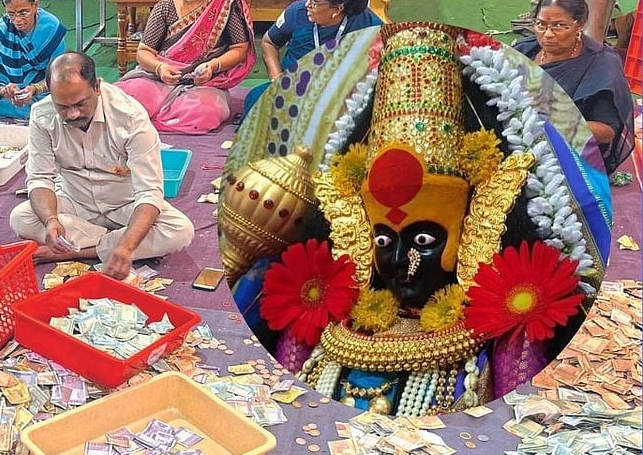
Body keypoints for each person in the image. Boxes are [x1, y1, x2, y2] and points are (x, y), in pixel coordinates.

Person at [226, 23, 611, 416]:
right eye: (382, 240)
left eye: (424, 241)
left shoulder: (510, 338)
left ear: (474, 226)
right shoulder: (320, 316)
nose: (399, 262)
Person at [10, 52, 194, 279]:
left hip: (125, 205)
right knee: (21, 218)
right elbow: (40, 177)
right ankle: (110, 245)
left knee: (180, 230)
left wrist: (126, 246)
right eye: (63, 107)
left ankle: (78, 251)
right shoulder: (42, 114)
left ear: (97, 86)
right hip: (75, 202)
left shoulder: (130, 117)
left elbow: (149, 192)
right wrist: (51, 220)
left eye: (80, 104)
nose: (73, 114)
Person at [513, 0, 635, 173]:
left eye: (559, 26)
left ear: (580, 24)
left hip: (572, 153)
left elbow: (607, 132)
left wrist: (547, 122)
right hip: (519, 136)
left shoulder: (600, 65)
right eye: (541, 24)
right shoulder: (524, 50)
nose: (547, 34)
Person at [115, 0, 255, 134]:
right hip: (160, 78)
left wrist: (212, 66)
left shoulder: (227, 3)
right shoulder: (166, 6)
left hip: (204, 82)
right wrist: (160, 68)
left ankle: (147, 120)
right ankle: (162, 116)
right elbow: (144, 51)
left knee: (207, 112)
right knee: (124, 99)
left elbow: (240, 48)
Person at [242, 0, 382, 117]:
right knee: (255, 99)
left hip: (340, 94)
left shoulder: (366, 22)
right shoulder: (297, 12)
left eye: (314, 2)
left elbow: (387, 56)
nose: (307, 5)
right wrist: (277, 79)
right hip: (294, 88)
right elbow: (269, 42)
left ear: (338, 8)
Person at [0, 0, 67, 122]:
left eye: (23, 12)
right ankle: (28, 110)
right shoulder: (2, 30)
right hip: (13, 93)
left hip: (42, 90)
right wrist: (6, 91)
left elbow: (60, 75)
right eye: (11, 14)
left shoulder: (51, 28)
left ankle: (30, 109)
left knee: (62, 103)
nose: (17, 20)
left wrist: (35, 89)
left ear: (35, 5)